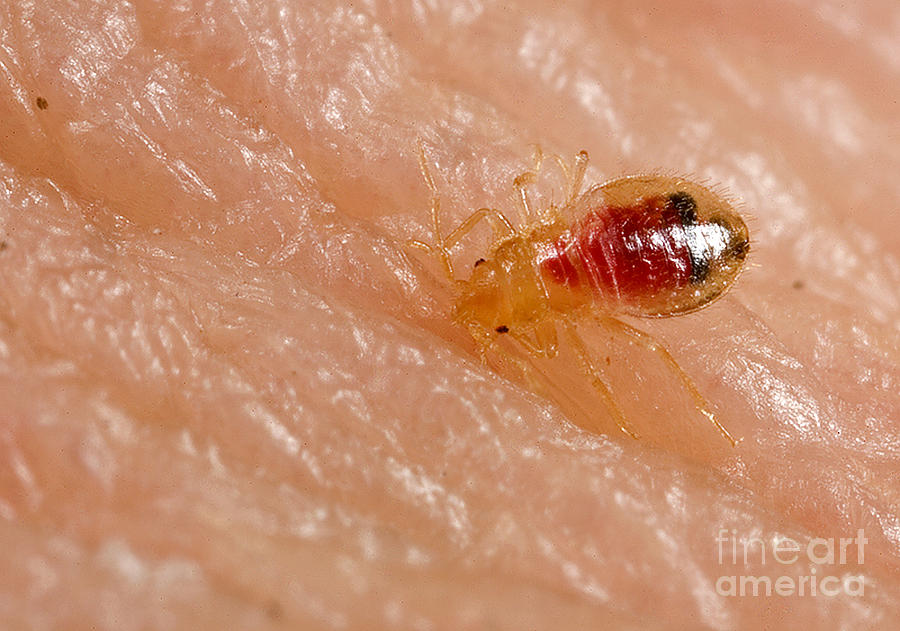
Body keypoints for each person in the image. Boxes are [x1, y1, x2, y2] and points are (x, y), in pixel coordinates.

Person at [2, 1, 897, 627]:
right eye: (497, 308)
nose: (484, 301)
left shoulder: (545, 250)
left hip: (630, 252)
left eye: (495, 307)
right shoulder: (538, 242)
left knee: (604, 338)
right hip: (626, 247)